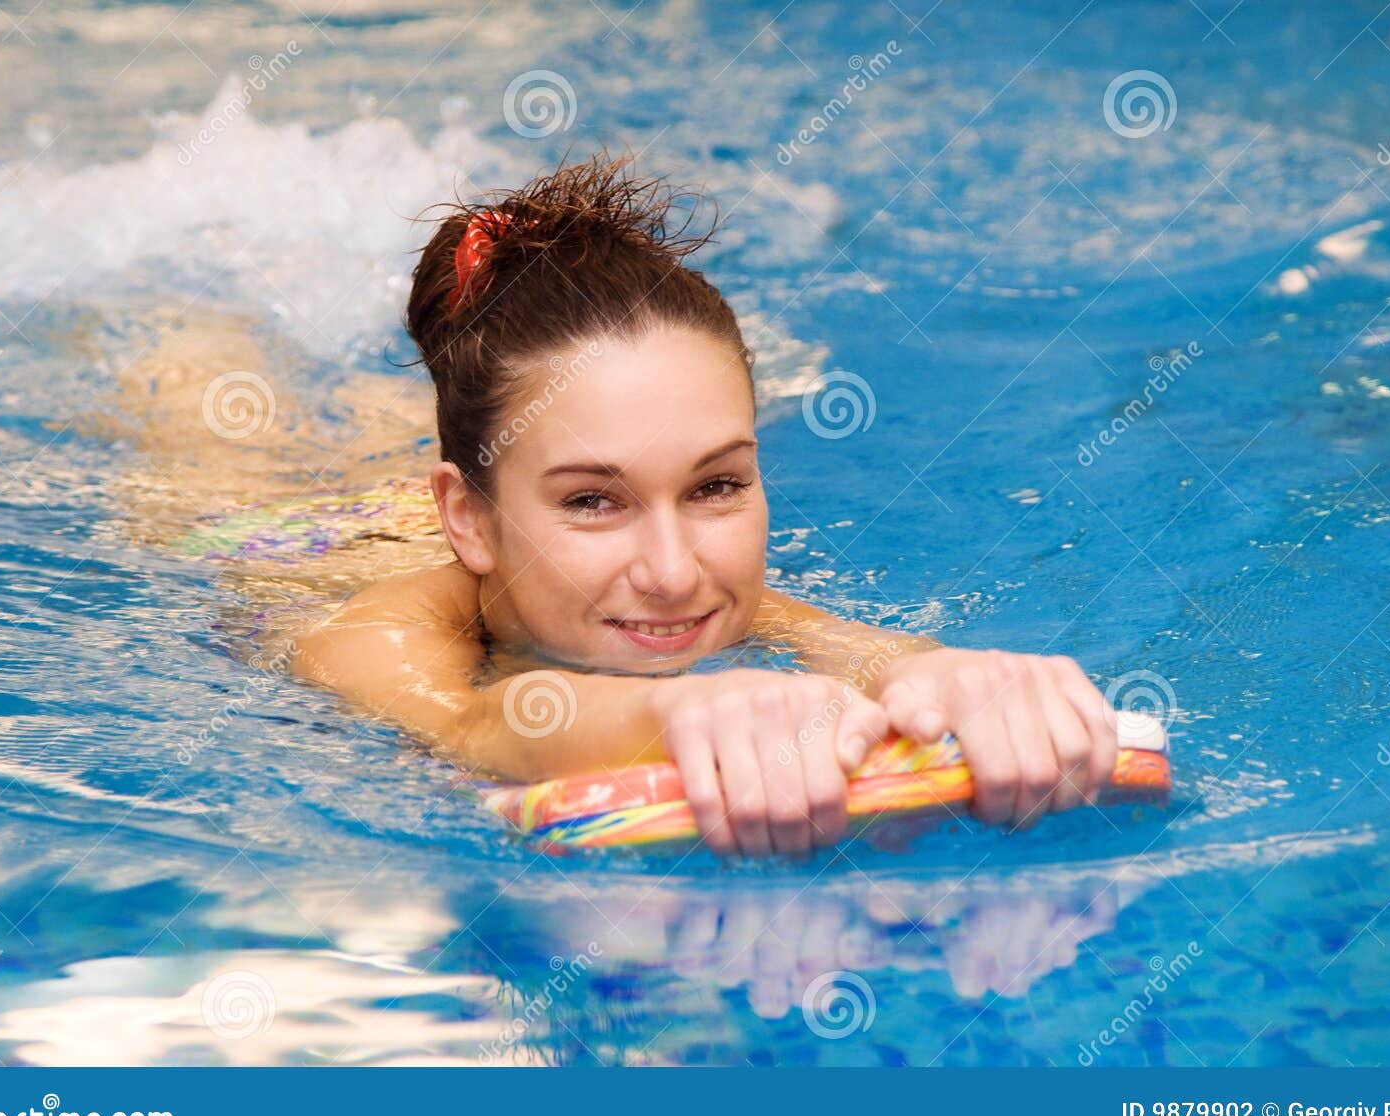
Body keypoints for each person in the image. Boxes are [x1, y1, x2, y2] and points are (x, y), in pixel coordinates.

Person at [289, 151, 1122, 860]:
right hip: (287, 529)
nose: (675, 575)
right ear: (469, 520)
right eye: (592, 500)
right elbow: (474, 727)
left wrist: (948, 679)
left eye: (715, 486)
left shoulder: (729, 599)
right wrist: (673, 708)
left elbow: (871, 656)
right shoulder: (364, 634)